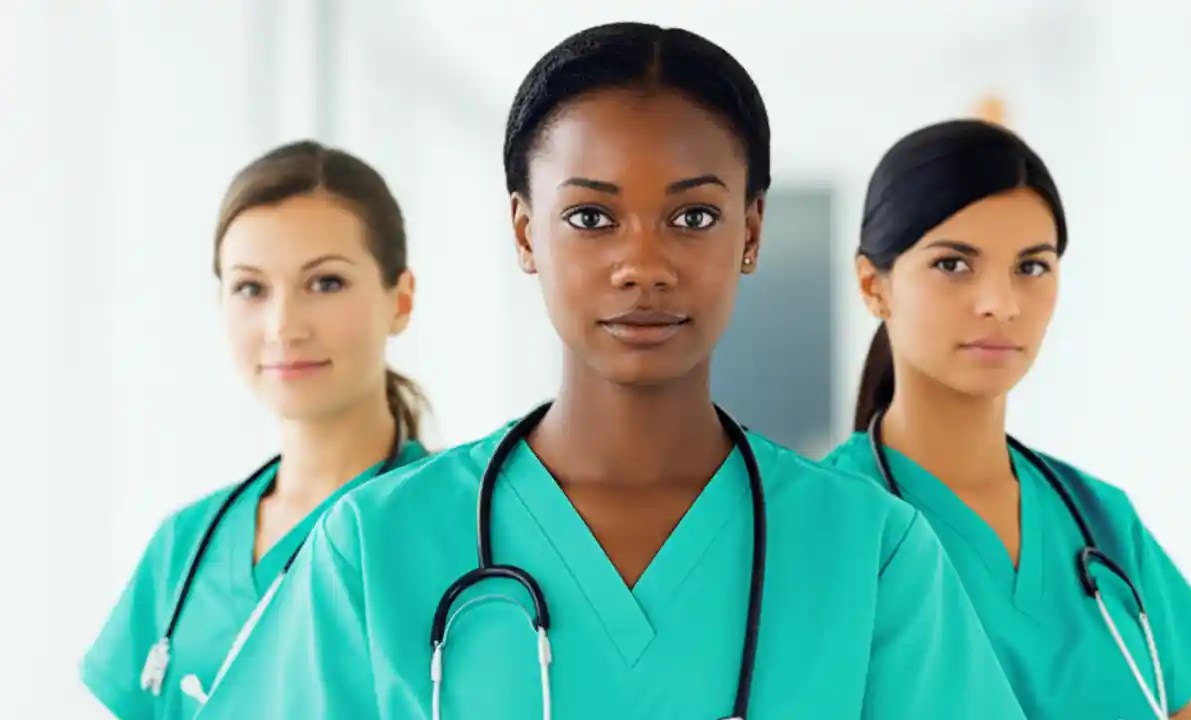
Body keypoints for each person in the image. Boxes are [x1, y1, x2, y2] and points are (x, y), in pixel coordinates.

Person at [193, 24, 1025, 719]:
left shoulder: (872, 553)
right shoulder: (375, 548)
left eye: (693, 216)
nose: (643, 264)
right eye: (590, 217)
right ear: (525, 233)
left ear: (752, 231)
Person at [825, 119, 1191, 719]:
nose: (1002, 303)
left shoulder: (1103, 521)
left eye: (1031, 267)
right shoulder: (819, 526)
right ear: (873, 285)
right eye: (953, 265)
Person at [80, 141, 432, 719]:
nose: (282, 326)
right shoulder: (185, 545)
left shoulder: (451, 528)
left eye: (325, 283)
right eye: (251, 288)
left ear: (401, 299)